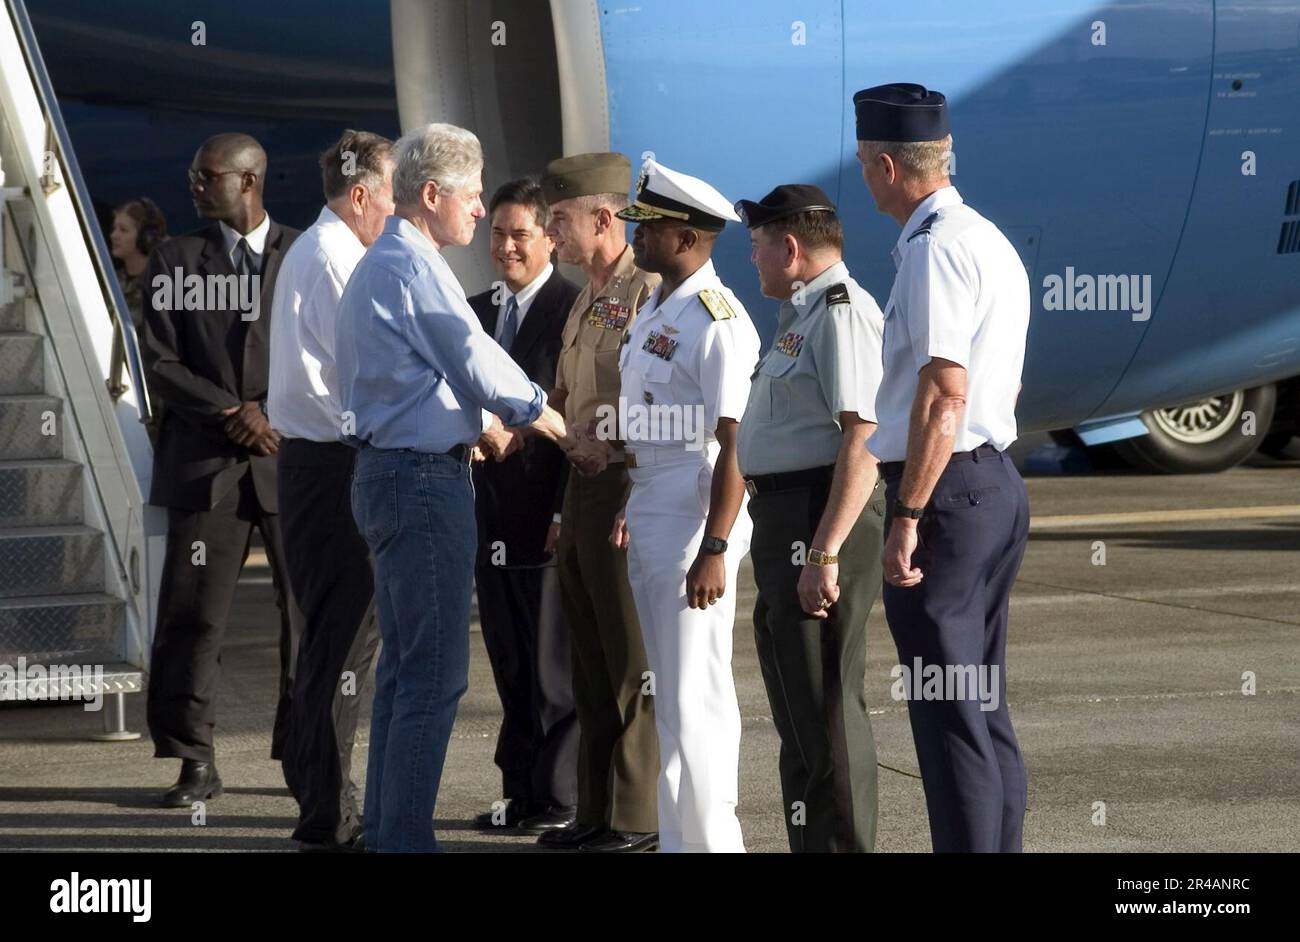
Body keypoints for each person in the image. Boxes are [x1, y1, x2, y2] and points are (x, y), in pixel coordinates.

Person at [334, 123, 588, 853]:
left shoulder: (384, 262)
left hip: (390, 472)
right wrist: (555, 421)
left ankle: (388, 831)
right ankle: (405, 840)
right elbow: (473, 358)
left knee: (404, 674)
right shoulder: (411, 268)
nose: (481, 214)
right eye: (473, 198)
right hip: (420, 480)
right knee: (434, 678)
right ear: (434, 194)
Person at [853, 83, 1032, 852]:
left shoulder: (934, 253)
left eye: (864, 164)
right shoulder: (985, 237)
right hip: (991, 485)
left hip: (948, 496)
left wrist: (907, 515)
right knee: (979, 703)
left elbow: (942, 392)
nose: (863, 178)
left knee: (947, 710)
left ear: (889, 167)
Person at [141, 133, 302, 807]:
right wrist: (235, 411)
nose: (194, 185)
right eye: (193, 174)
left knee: (308, 616)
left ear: (248, 182)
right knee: (193, 616)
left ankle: (309, 755)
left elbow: (333, 352)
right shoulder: (175, 258)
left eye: (206, 176)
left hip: (293, 461)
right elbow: (160, 361)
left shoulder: (307, 255)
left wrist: (274, 413)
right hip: (208, 462)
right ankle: (193, 759)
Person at [611, 158, 761, 853]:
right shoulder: (659, 309)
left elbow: (736, 446)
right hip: (653, 501)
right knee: (669, 700)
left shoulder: (717, 321)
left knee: (696, 699)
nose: (634, 237)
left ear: (689, 237)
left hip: (694, 511)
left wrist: (716, 547)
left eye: (650, 227)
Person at [734, 184, 887, 852]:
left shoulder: (840, 314)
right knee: (798, 709)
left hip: (814, 515)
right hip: (785, 517)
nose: (755, 262)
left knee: (825, 707)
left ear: (789, 247)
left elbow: (863, 436)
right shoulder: (802, 316)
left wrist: (824, 552)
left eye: (759, 248)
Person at [267, 129, 395, 851]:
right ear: (359, 196)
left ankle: (320, 794)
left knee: (332, 640)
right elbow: (367, 378)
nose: (399, 209)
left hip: (317, 463)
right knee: (344, 644)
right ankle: (327, 810)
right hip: (334, 466)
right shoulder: (337, 260)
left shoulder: (324, 251)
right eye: (391, 194)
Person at [536, 153, 661, 852]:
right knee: (585, 656)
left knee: (627, 657)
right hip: (582, 485)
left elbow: (663, 406)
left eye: (559, 219)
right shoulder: (587, 295)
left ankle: (637, 815)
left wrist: (633, 493)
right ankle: (595, 809)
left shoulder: (650, 294)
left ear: (603, 219)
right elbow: (565, 397)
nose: (550, 232)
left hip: (629, 483)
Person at [465, 177, 582, 833]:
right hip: (487, 508)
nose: (505, 247)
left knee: (551, 664)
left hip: (544, 507)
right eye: (497, 233)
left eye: (519, 235)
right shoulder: (473, 311)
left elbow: (575, 405)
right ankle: (520, 791)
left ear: (549, 239)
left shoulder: (573, 307)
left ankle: (561, 795)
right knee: (508, 661)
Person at [108, 198, 167, 436]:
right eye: (114, 229)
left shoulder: (162, 283)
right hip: (120, 386)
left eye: (124, 230)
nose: (114, 236)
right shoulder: (113, 281)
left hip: (153, 399)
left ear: (146, 237)